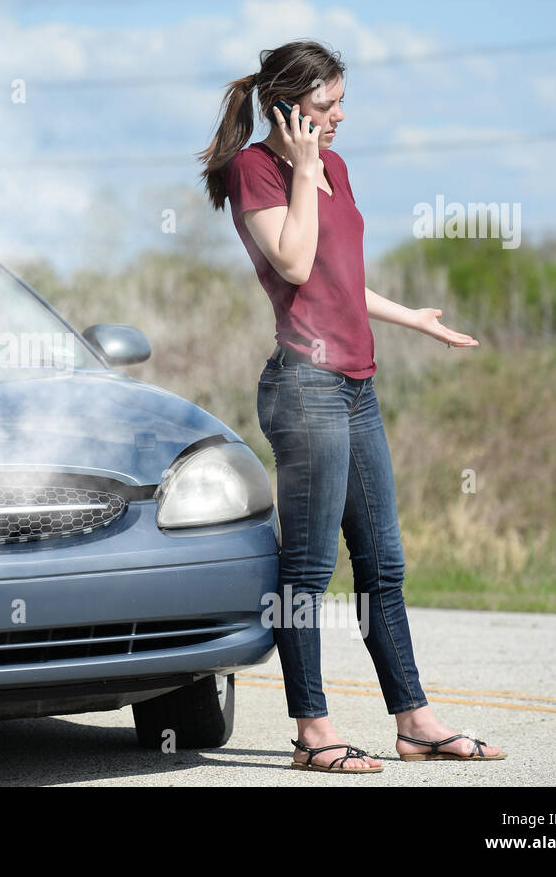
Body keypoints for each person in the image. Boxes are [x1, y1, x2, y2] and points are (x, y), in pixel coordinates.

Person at [195, 40, 506, 772]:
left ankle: (416, 720)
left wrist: (411, 319)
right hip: (305, 388)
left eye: (342, 103)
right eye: (326, 105)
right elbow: (296, 262)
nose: (339, 118)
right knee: (307, 567)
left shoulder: (334, 166)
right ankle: (312, 728)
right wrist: (302, 171)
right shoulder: (258, 170)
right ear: (285, 106)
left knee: (384, 563)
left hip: (356, 387)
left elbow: (338, 279)